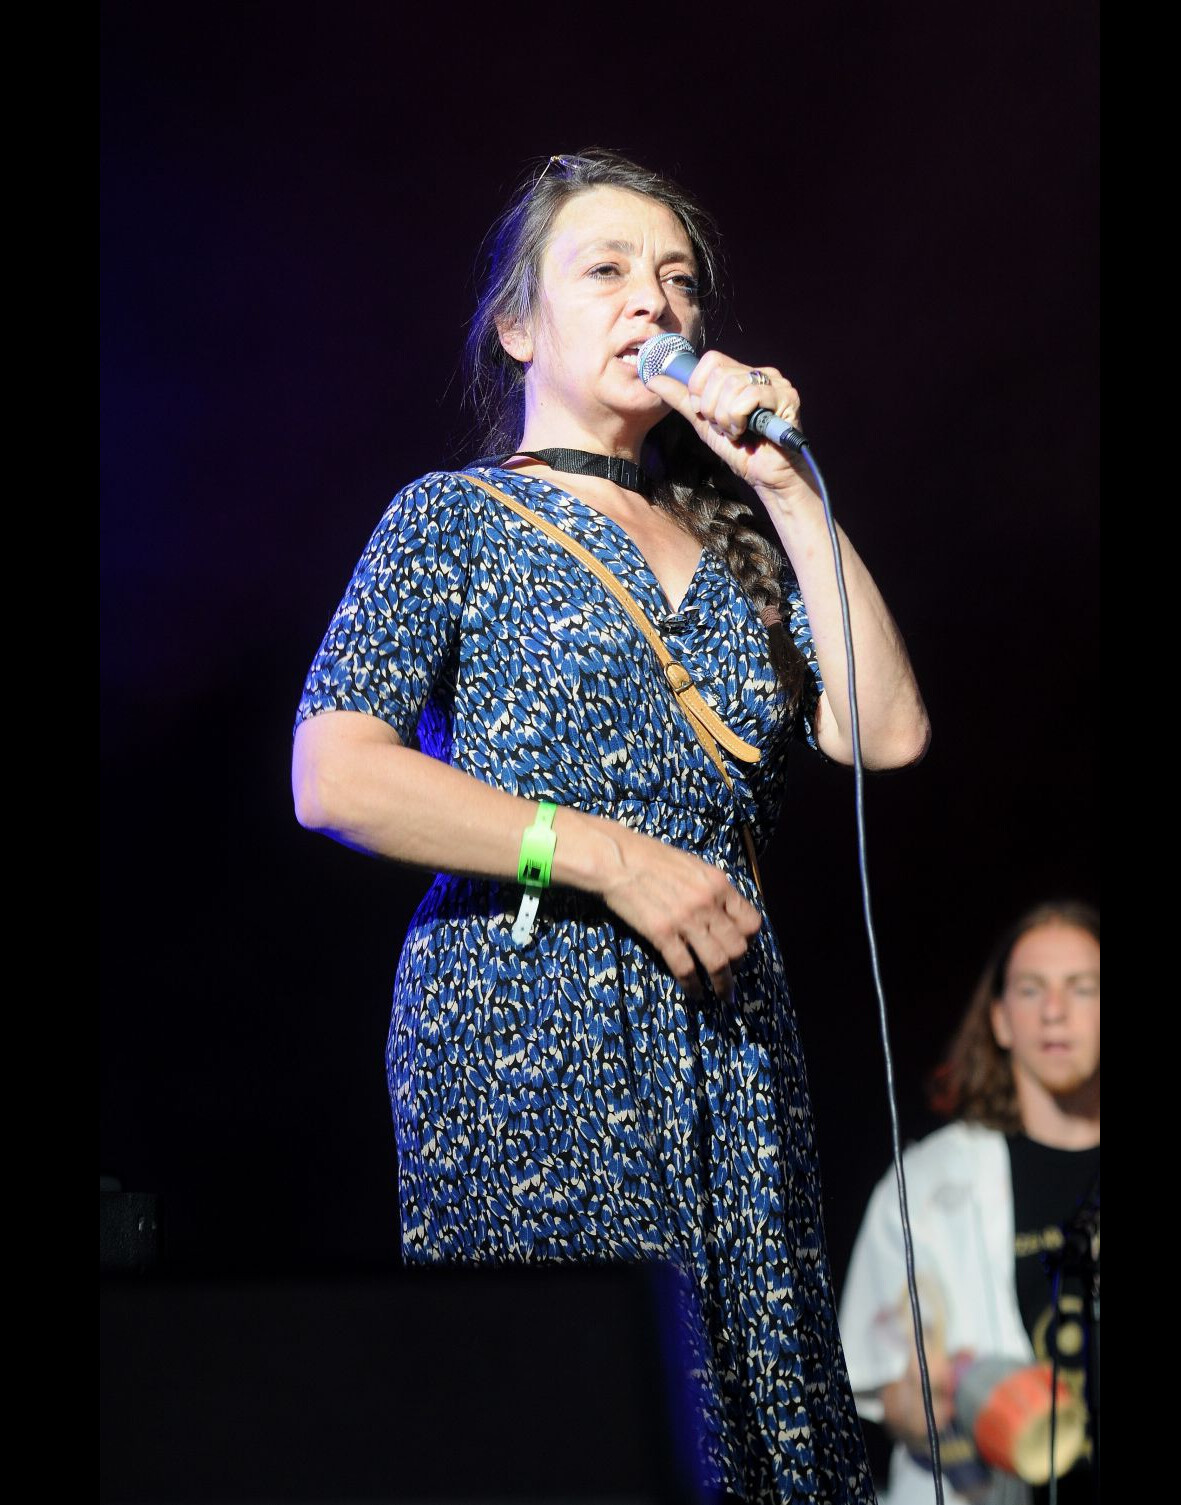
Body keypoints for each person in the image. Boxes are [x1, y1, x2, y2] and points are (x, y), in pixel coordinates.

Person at [292, 148, 930, 1504]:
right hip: (527, 1006)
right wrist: (610, 856)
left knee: (756, 1429)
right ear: (518, 324)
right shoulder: (451, 519)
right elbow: (335, 774)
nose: (655, 300)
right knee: (576, 1419)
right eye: (607, 270)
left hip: (730, 1035)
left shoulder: (749, 541)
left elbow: (886, 735)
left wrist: (787, 489)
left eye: (678, 280)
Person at [838, 901, 1101, 1505]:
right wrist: (913, 1410)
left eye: (1081, 989)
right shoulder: (929, 1185)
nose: (1054, 1012)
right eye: (1031, 990)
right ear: (1001, 1020)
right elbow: (880, 1391)